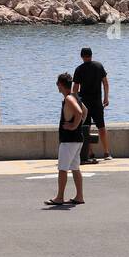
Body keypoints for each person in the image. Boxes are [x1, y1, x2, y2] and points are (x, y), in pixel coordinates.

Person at [48, 72, 86, 206]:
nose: (57, 86)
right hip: (77, 139)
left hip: (69, 140)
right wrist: (78, 126)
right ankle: (79, 196)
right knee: (75, 168)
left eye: (57, 84)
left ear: (61, 84)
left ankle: (60, 197)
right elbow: (85, 111)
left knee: (63, 169)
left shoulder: (69, 98)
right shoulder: (75, 97)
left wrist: (73, 126)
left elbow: (80, 112)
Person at [72, 47, 111, 164]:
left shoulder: (79, 69)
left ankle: (90, 153)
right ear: (91, 55)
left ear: (81, 56)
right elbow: (105, 82)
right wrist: (106, 97)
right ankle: (106, 152)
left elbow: (75, 88)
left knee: (86, 128)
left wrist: (75, 102)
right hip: (97, 102)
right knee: (101, 127)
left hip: (85, 104)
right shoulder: (99, 66)